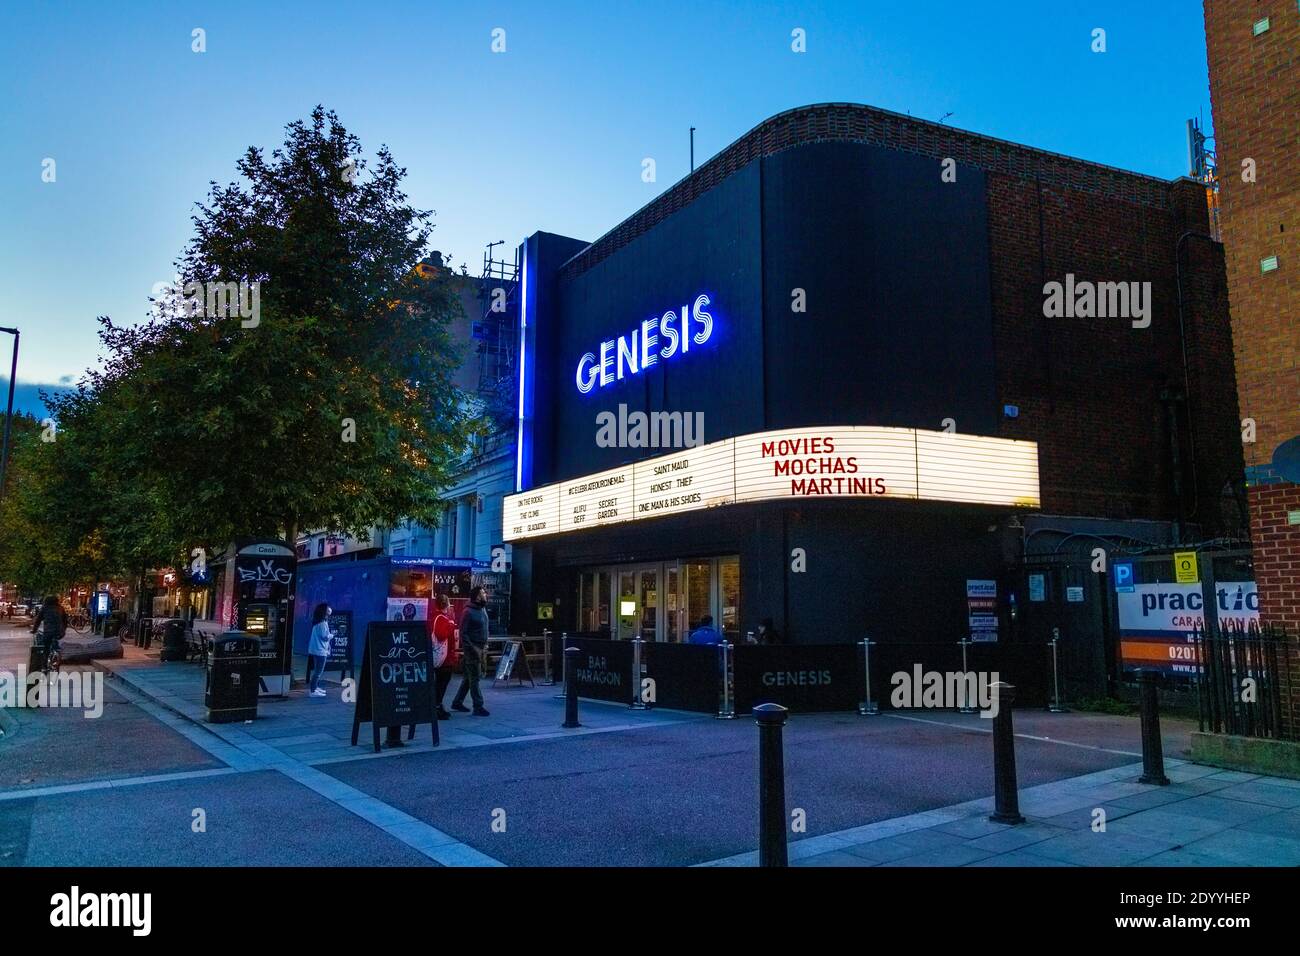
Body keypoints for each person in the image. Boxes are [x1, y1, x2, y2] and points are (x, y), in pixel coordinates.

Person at [450, 585, 490, 717]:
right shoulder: (468, 612)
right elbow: (463, 633)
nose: (485, 595)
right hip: (472, 649)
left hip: (481, 647)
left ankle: (457, 701)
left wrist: (485, 643)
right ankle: (478, 705)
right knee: (475, 678)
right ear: (478, 596)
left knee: (469, 678)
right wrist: (473, 648)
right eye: (483, 593)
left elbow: (484, 627)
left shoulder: (482, 609)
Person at [431, 593, 460, 720]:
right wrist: (451, 624)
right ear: (446, 605)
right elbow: (441, 635)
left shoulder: (436, 617)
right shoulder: (442, 618)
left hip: (444, 656)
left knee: (441, 682)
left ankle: (438, 705)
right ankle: (436, 706)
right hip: (444, 658)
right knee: (442, 682)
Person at [30, 596, 67, 670]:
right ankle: (57, 654)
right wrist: (63, 630)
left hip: (48, 632)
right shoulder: (60, 608)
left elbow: (38, 621)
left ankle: (44, 665)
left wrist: (34, 630)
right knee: (56, 643)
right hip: (60, 632)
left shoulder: (45, 608)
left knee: (46, 648)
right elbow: (65, 621)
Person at [306, 603, 332, 698]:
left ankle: (315, 688)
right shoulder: (323, 624)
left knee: (317, 671)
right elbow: (325, 637)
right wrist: (332, 635)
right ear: (324, 611)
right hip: (320, 651)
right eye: (328, 609)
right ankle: (313, 691)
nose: (330, 610)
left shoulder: (318, 623)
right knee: (318, 672)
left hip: (316, 650)